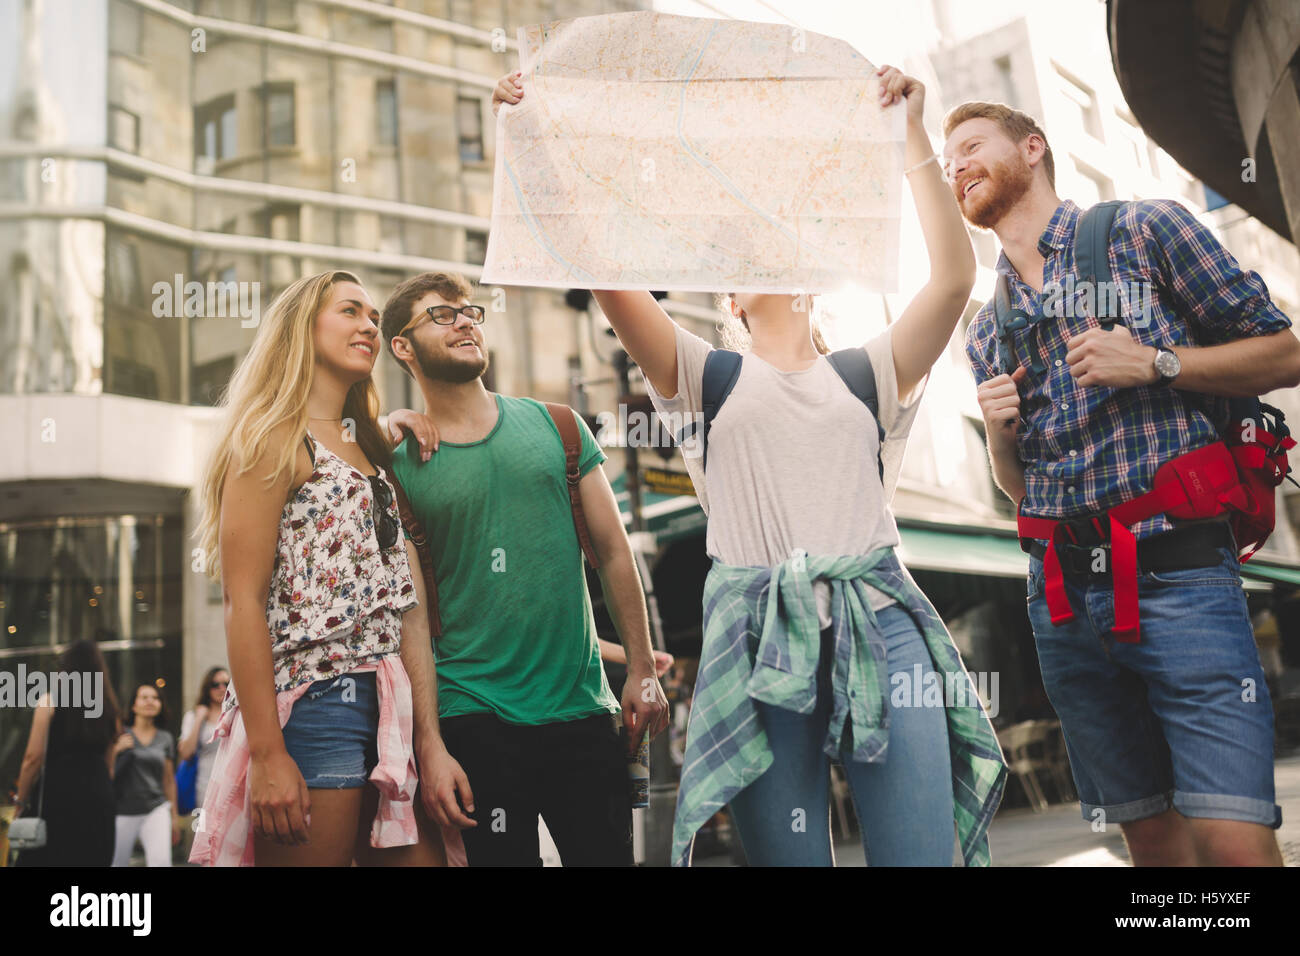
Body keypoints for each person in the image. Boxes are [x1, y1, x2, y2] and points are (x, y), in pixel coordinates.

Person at [492, 65, 1006, 866]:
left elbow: (954, 276)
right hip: (757, 634)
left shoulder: (870, 372)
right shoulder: (707, 379)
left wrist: (910, 133)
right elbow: (602, 269)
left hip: (880, 622)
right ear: (732, 300)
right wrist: (540, 141)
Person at [946, 100, 1300, 866]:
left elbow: (1284, 350)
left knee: (1234, 839)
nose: (957, 167)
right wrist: (1000, 436)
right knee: (1150, 840)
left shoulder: (1146, 230)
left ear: (1032, 148)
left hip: (1180, 573)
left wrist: (1156, 362)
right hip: (1064, 602)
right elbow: (1016, 489)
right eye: (947, 163)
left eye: (971, 146)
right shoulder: (984, 328)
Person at [379, 269, 669, 866]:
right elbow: (412, 612)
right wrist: (430, 745)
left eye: (468, 311)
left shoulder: (558, 426)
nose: (463, 319)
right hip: (473, 718)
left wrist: (641, 666)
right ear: (402, 347)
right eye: (441, 314)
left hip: (582, 710)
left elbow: (613, 553)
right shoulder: (398, 467)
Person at [190, 269, 444, 867]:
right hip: (314, 706)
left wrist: (391, 426)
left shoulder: (369, 447)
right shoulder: (271, 439)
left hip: (389, 701)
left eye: (374, 318)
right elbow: (242, 602)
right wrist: (271, 756)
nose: (369, 326)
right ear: (304, 328)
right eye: (350, 311)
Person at [13, 640, 120, 867]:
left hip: (58, 796)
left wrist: (21, 802)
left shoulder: (49, 702)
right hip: (99, 797)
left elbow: (32, 759)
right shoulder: (109, 708)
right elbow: (109, 764)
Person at [112, 683, 180, 867]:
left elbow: (168, 780)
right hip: (123, 810)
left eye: (155, 698)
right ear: (134, 705)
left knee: (161, 863)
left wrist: (173, 816)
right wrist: (117, 749)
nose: (150, 701)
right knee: (116, 863)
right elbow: (104, 770)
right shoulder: (120, 734)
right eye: (144, 697)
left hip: (156, 808)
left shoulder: (165, 738)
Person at [178, 666, 229, 816]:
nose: (221, 688)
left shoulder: (235, 714)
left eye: (226, 684)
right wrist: (199, 718)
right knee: (202, 832)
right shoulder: (193, 716)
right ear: (207, 688)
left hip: (234, 786)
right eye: (215, 685)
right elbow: (186, 753)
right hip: (204, 788)